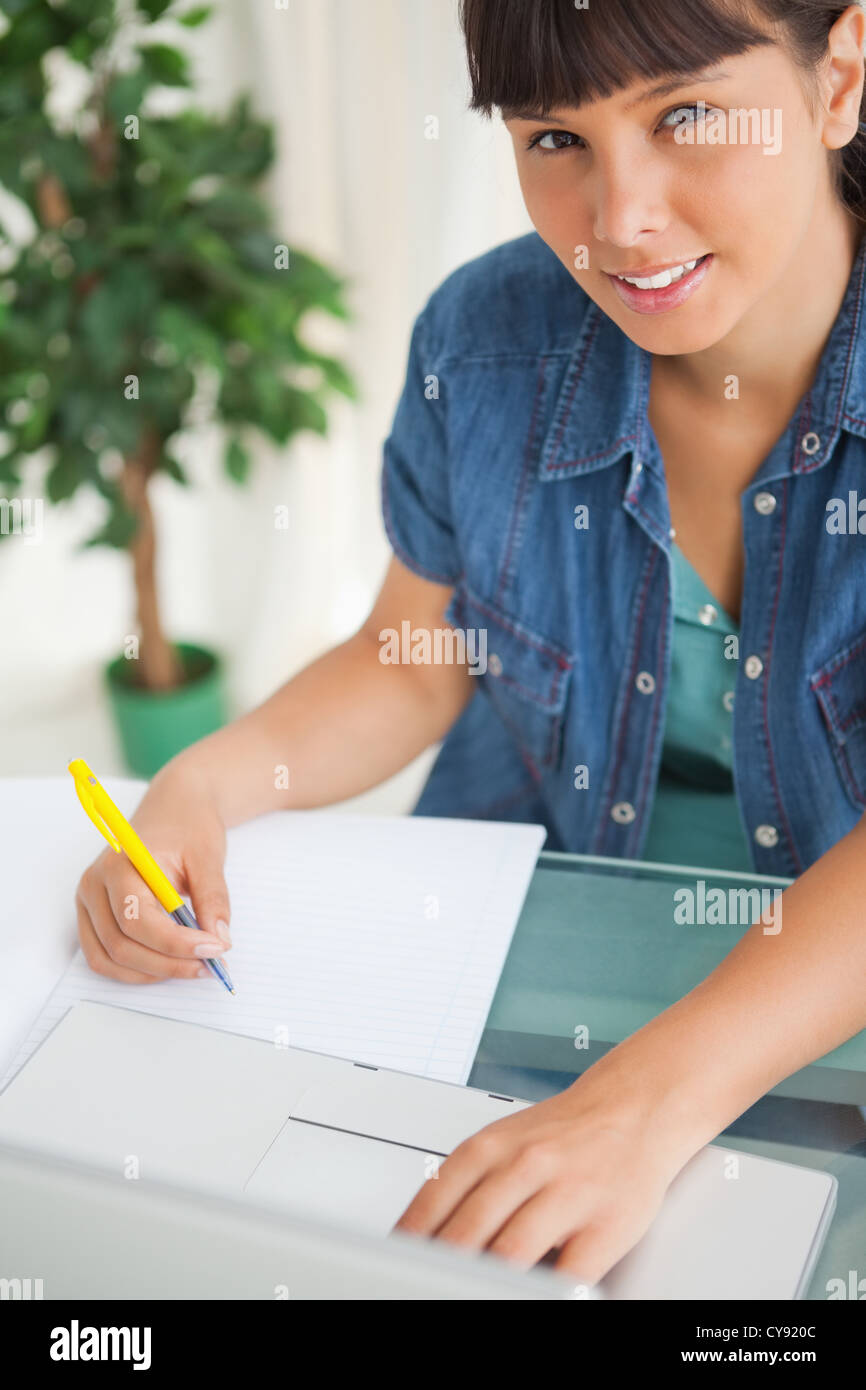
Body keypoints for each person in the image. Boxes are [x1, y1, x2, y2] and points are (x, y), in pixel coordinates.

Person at [76, 0, 866, 1282]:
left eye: (684, 116)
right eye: (555, 138)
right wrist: (208, 783)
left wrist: (640, 1106)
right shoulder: (487, 344)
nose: (618, 221)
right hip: (522, 968)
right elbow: (417, 651)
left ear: (836, 77)